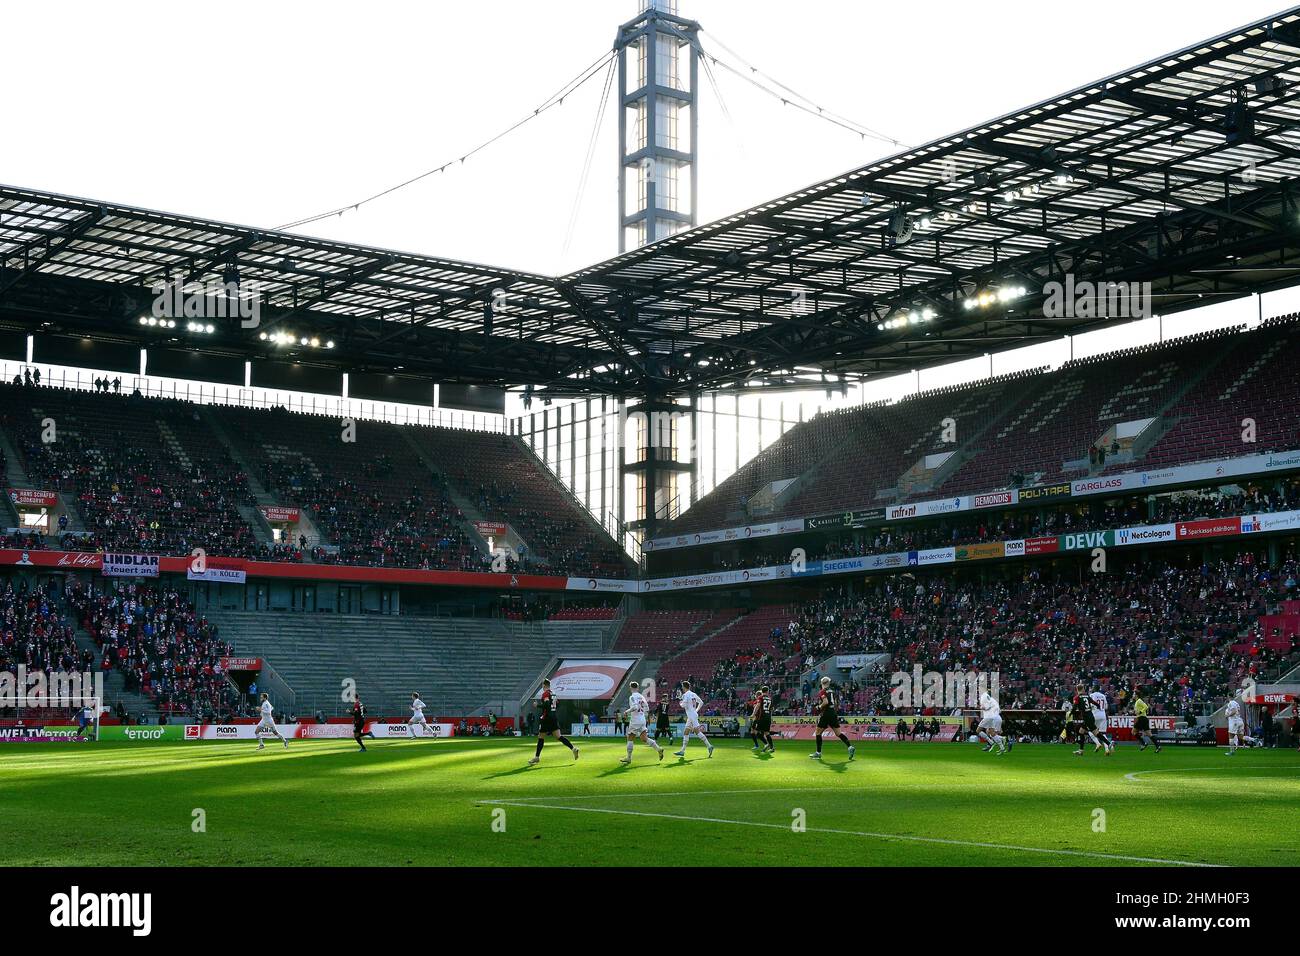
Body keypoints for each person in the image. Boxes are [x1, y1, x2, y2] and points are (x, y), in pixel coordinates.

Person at [527, 678, 578, 765]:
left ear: (544, 685)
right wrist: (552, 709)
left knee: (541, 737)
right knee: (558, 736)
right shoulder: (553, 693)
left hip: (546, 718)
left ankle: (537, 757)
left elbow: (546, 705)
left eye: (542, 685)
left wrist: (537, 705)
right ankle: (573, 749)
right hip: (554, 717)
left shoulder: (545, 693)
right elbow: (557, 704)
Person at [810, 676, 854, 760]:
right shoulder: (832, 692)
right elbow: (837, 703)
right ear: (828, 683)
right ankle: (850, 747)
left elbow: (825, 702)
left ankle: (818, 753)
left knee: (818, 733)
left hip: (826, 713)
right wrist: (833, 712)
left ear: (822, 683)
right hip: (832, 712)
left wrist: (819, 707)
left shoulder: (822, 691)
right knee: (838, 733)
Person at [619, 680, 663, 764]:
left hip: (635, 720)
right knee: (644, 738)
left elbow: (635, 707)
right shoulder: (642, 697)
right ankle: (659, 749)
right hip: (642, 719)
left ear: (630, 688)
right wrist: (647, 718)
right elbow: (647, 708)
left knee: (630, 737)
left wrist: (626, 712)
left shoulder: (632, 697)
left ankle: (628, 758)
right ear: (638, 688)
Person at [673, 680, 713, 758]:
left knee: (697, 732)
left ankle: (709, 746)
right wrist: (696, 710)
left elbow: (683, 705)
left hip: (691, 716)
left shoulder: (685, 695)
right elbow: (701, 702)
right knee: (686, 732)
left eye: (682, 687)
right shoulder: (693, 694)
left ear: (684, 687)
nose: (682, 688)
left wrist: (680, 702)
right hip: (693, 715)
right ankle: (682, 751)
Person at [976, 689, 1008, 755]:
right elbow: (998, 710)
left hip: (988, 717)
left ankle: (990, 742)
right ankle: (1002, 748)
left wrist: (980, 707)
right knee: (992, 733)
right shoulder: (991, 698)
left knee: (978, 730)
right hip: (993, 717)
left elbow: (987, 707)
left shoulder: (985, 697)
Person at [1132, 689, 1161, 753]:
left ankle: (1143, 743)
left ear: (1136, 695)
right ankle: (1158, 746)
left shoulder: (1139, 701)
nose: (1133, 695)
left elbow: (1146, 706)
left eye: (1134, 694)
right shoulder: (1137, 701)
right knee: (1149, 734)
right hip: (1144, 719)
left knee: (1133, 732)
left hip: (1141, 718)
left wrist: (1140, 712)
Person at [1088, 685, 1115, 754]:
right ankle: (1107, 749)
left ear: (1094, 689)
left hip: (1095, 715)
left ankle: (1098, 744)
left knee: (1090, 731)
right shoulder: (1103, 696)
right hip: (1103, 715)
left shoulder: (1091, 695)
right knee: (1103, 733)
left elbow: (1089, 705)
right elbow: (1106, 706)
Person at [751, 685, 774, 754]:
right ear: (767, 691)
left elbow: (758, 706)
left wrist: (753, 714)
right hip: (768, 717)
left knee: (756, 732)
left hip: (762, 717)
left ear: (762, 691)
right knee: (767, 733)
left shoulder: (760, 697)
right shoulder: (770, 699)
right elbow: (771, 709)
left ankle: (766, 744)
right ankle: (772, 748)